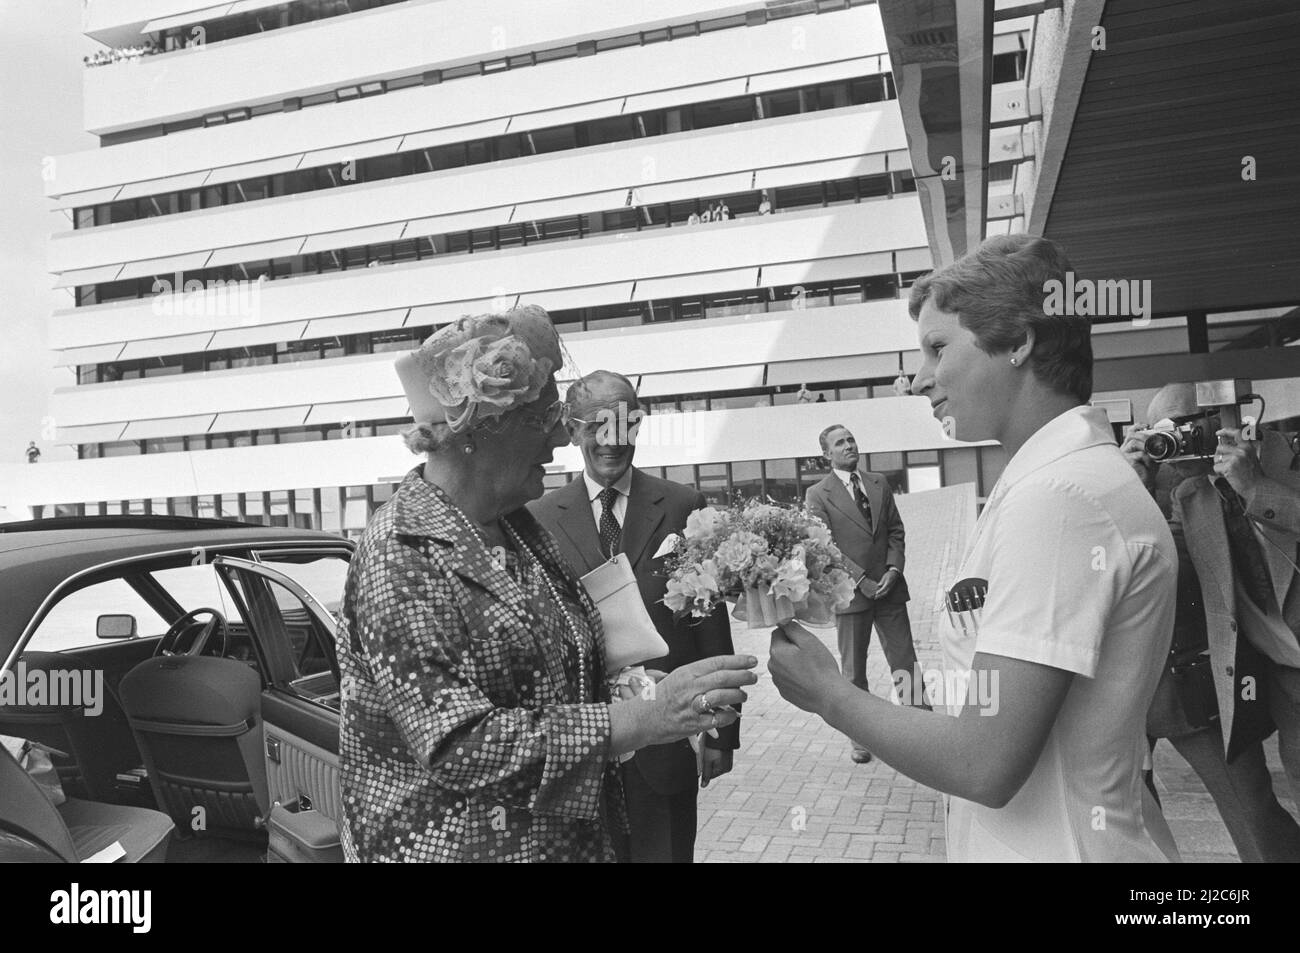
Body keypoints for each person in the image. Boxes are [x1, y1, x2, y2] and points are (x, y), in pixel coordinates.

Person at [770, 234, 1181, 861]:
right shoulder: (1058, 483)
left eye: (939, 348)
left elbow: (986, 761)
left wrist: (830, 695)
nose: (919, 379)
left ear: (1019, 341)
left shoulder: (1062, 499)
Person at [336, 306, 756, 862]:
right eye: (542, 419)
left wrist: (622, 691)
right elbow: (463, 745)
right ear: (476, 434)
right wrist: (642, 718)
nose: (562, 436)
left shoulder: (516, 526)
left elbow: (542, 673)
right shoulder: (403, 552)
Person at [530, 370, 739, 863]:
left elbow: (709, 625)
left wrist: (720, 731)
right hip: (579, 747)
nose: (611, 441)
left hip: (664, 745)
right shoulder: (536, 518)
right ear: (572, 429)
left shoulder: (683, 505)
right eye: (597, 426)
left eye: (623, 424)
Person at [1124, 383, 1300, 862]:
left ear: (1222, 417)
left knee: (1256, 816)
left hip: (1270, 663)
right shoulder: (1178, 487)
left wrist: (1255, 486)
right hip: (1269, 671)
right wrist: (1127, 492)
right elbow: (1165, 567)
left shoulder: (1284, 457)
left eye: (1187, 426)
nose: (1180, 440)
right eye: (1165, 433)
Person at [805, 424, 928, 763]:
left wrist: (893, 569)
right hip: (850, 595)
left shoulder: (879, 483)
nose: (849, 446)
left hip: (889, 590)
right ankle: (861, 738)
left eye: (851, 439)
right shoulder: (818, 494)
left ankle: (925, 727)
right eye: (840, 443)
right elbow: (823, 547)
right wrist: (860, 580)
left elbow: (895, 531)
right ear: (826, 455)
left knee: (905, 663)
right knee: (853, 671)